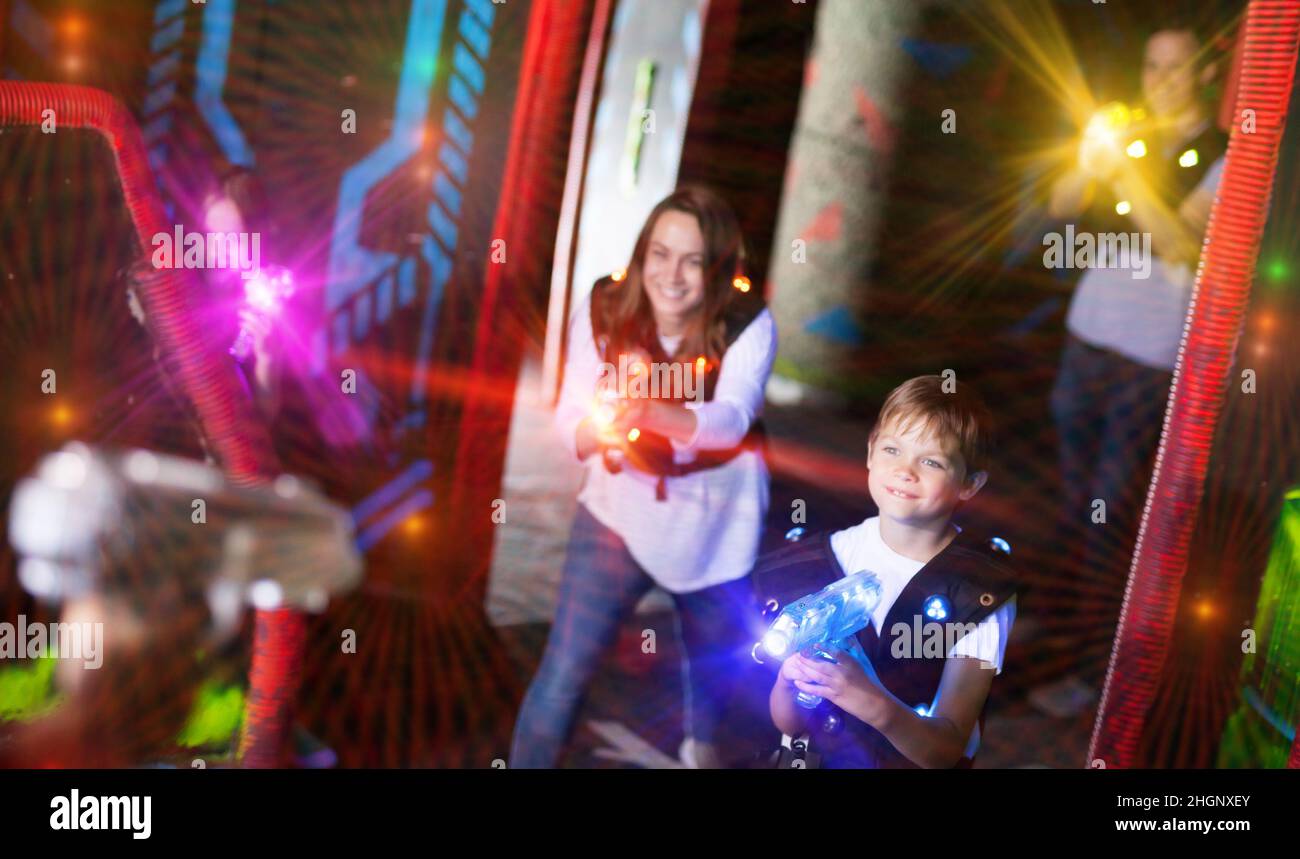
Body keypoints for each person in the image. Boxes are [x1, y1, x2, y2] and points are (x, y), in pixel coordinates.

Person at [510, 186, 778, 768]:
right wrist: (596, 432)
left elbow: (731, 420)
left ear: (718, 268)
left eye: (693, 260)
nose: (672, 275)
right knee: (564, 669)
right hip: (619, 509)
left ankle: (700, 751)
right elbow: (569, 418)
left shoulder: (747, 322)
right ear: (642, 254)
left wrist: (648, 410)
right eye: (660, 254)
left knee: (712, 676)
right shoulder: (608, 305)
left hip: (716, 523)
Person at [1043, 19, 1228, 706]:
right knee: (1069, 500)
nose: (1160, 81)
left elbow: (1182, 244)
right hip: (1086, 337)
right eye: (1152, 67)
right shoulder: (1134, 135)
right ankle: (1060, 630)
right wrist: (1086, 159)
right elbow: (1060, 210)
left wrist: (1124, 169)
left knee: (1112, 510)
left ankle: (1098, 671)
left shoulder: (1224, 154)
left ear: (1207, 72)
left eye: (1175, 67)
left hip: (1148, 357)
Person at [759, 375, 1019, 768]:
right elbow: (791, 726)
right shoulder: (818, 560)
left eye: (931, 461)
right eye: (892, 449)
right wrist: (790, 680)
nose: (905, 470)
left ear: (969, 484)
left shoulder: (976, 590)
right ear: (869, 453)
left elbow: (944, 752)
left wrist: (869, 701)